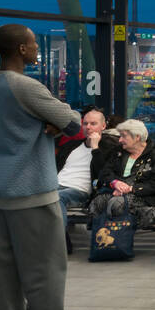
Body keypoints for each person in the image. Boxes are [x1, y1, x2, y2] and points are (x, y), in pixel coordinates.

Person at [0, 24, 88, 310]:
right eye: (31, 43)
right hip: (33, 192)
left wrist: (51, 121)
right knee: (45, 269)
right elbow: (75, 124)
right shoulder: (26, 85)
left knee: (4, 272)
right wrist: (59, 120)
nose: (36, 48)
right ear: (22, 50)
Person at [90, 118, 155, 265]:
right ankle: (112, 244)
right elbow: (105, 172)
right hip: (114, 191)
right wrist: (115, 183)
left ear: (137, 137)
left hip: (143, 196)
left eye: (124, 136)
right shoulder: (118, 152)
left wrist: (131, 189)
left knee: (117, 202)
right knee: (105, 201)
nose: (120, 140)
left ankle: (115, 244)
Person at [55, 106, 109, 252]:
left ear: (103, 126)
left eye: (93, 124)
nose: (88, 127)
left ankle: (61, 244)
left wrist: (95, 148)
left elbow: (104, 174)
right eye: (85, 124)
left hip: (79, 191)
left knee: (56, 198)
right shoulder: (71, 146)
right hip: (55, 185)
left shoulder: (109, 147)